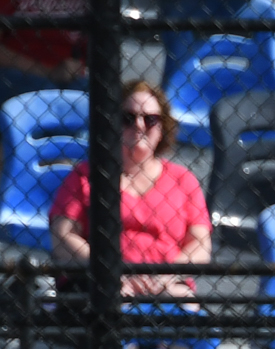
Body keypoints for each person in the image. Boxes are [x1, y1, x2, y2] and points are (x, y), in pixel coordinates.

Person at [47, 81, 209, 300]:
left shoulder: (184, 180)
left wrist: (164, 276)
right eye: (128, 118)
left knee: (187, 308)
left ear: (163, 128)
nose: (139, 126)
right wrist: (110, 272)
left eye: (150, 119)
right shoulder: (86, 176)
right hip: (99, 281)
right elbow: (62, 237)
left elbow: (201, 246)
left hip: (167, 284)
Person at [0, 0, 85, 104]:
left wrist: (76, 68)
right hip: (18, 71)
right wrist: (48, 72)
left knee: (88, 89)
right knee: (45, 94)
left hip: (70, 78)